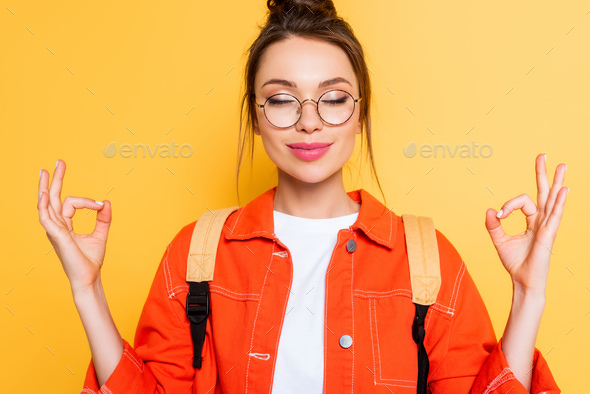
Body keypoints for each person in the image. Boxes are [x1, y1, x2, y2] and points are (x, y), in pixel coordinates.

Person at [37, 0, 568, 393]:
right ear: (255, 115)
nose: (309, 121)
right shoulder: (197, 253)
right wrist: (87, 289)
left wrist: (529, 295)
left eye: (334, 98)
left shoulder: (425, 258)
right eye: (282, 99)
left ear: (360, 114)